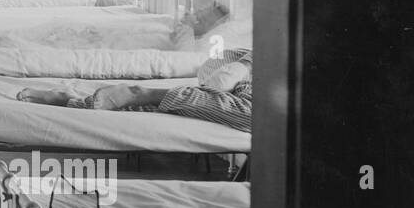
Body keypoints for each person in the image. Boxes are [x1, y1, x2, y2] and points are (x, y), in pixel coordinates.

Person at [16, 48, 253, 132]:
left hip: (250, 94)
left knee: (249, 113)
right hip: (241, 78)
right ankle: (78, 102)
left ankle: (77, 102)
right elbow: (215, 66)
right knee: (218, 84)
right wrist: (245, 65)